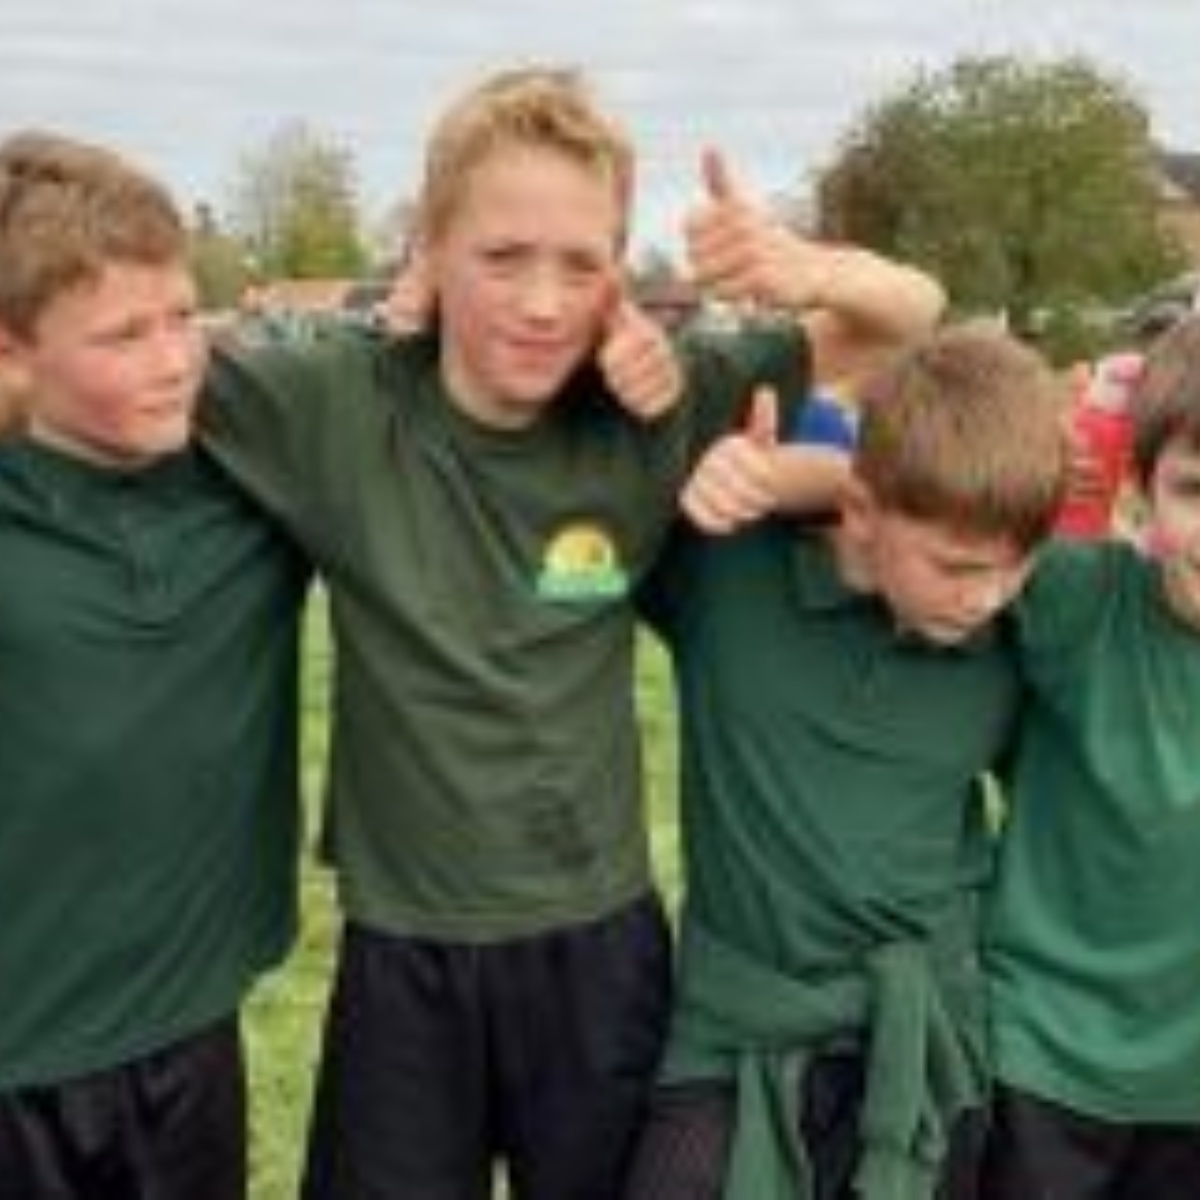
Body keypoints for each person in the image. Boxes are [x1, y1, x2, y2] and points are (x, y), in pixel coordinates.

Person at [199, 65, 946, 1200]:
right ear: (430, 249)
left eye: (582, 265)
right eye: (502, 257)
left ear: (617, 275)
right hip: (405, 951)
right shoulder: (331, 404)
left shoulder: (663, 399)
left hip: (598, 948)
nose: (543, 303)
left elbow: (910, 318)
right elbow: (84, 355)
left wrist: (805, 269)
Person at [622, 324, 1067, 1200]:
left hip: (926, 1045)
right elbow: (583, 476)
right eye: (955, 567)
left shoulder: (1022, 635)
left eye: (1015, 569)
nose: (986, 597)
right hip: (735, 1032)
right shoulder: (727, 572)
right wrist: (764, 473)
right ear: (861, 511)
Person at [0, 132, 308, 1198]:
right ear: (13, 351)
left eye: (182, 317)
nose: (173, 359)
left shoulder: (254, 491)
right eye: (121, 335)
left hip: (188, 1040)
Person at [980, 314, 1200, 1200]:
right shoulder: (1082, 598)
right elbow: (948, 508)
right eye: (1196, 488)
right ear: (1145, 489)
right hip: (1042, 1056)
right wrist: (1080, 448)